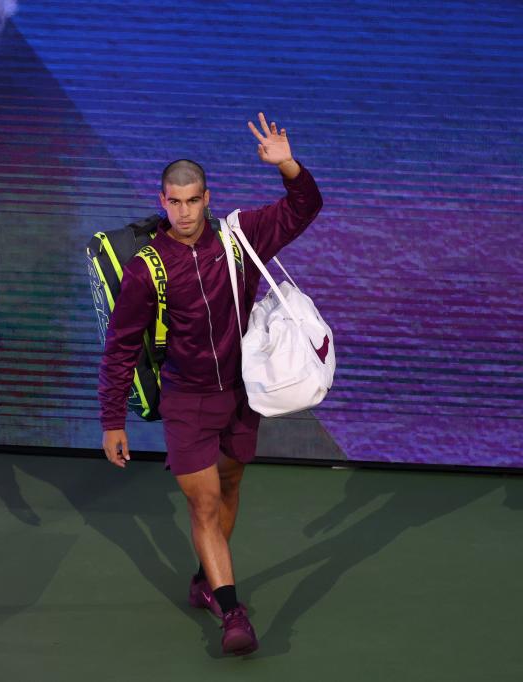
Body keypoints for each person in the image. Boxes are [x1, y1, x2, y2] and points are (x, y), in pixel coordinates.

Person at [98, 112, 323, 655]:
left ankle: (206, 579)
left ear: (206, 197)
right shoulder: (147, 268)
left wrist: (287, 165)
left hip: (241, 397)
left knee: (229, 489)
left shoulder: (239, 240)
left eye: (193, 200)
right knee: (202, 506)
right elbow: (121, 346)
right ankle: (232, 612)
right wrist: (112, 421)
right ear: (162, 201)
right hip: (187, 401)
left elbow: (304, 208)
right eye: (173, 202)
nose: (183, 211)